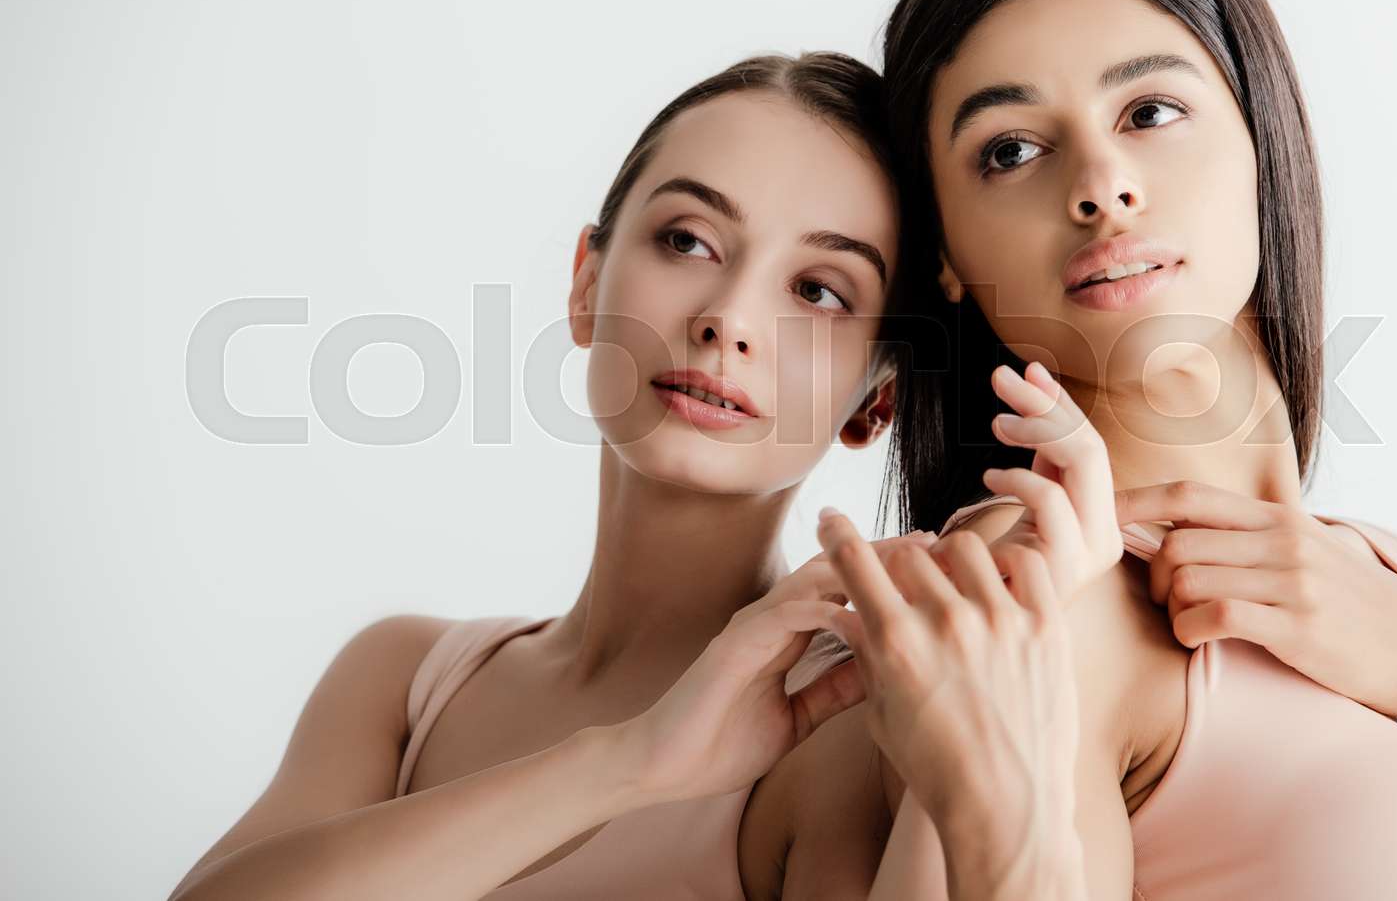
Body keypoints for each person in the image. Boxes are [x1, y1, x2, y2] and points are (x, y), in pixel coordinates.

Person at [165, 52, 1099, 901]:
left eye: (818, 291)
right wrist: (629, 761)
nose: (728, 318)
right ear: (585, 284)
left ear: (877, 401)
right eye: (687, 241)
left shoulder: (848, 732)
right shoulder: (406, 678)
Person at [876, 0, 1397, 899]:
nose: (1100, 183)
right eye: (1010, 149)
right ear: (945, 255)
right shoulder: (1037, 599)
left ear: (1265, 140)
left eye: (1149, 113)